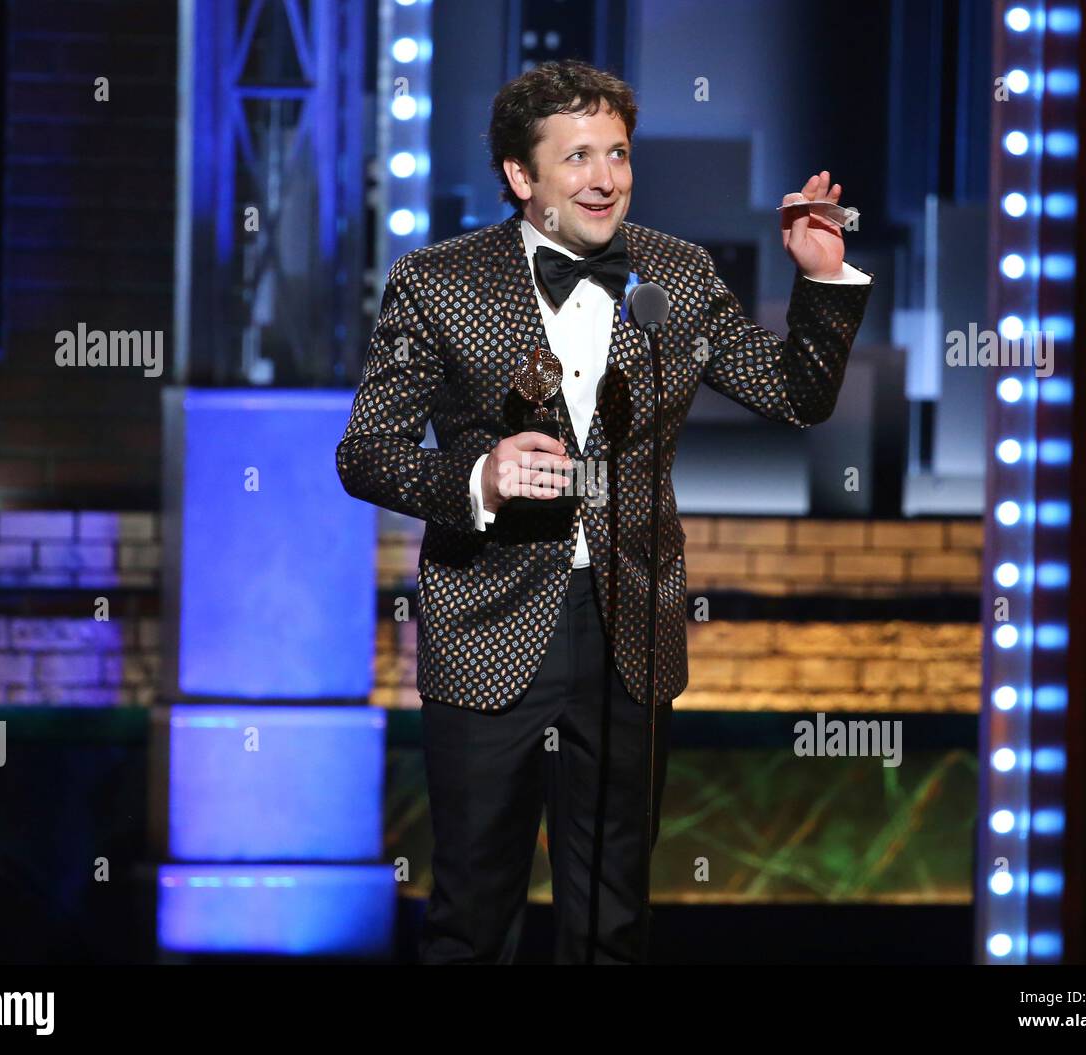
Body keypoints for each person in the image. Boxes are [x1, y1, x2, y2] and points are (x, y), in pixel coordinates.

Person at [336, 58, 874, 964]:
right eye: (578, 156)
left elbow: (795, 396)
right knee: (472, 914)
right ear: (521, 176)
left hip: (632, 626)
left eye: (617, 154)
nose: (605, 178)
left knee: (613, 915)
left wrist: (822, 280)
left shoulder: (674, 273)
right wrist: (479, 477)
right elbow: (367, 452)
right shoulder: (439, 282)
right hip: (490, 626)